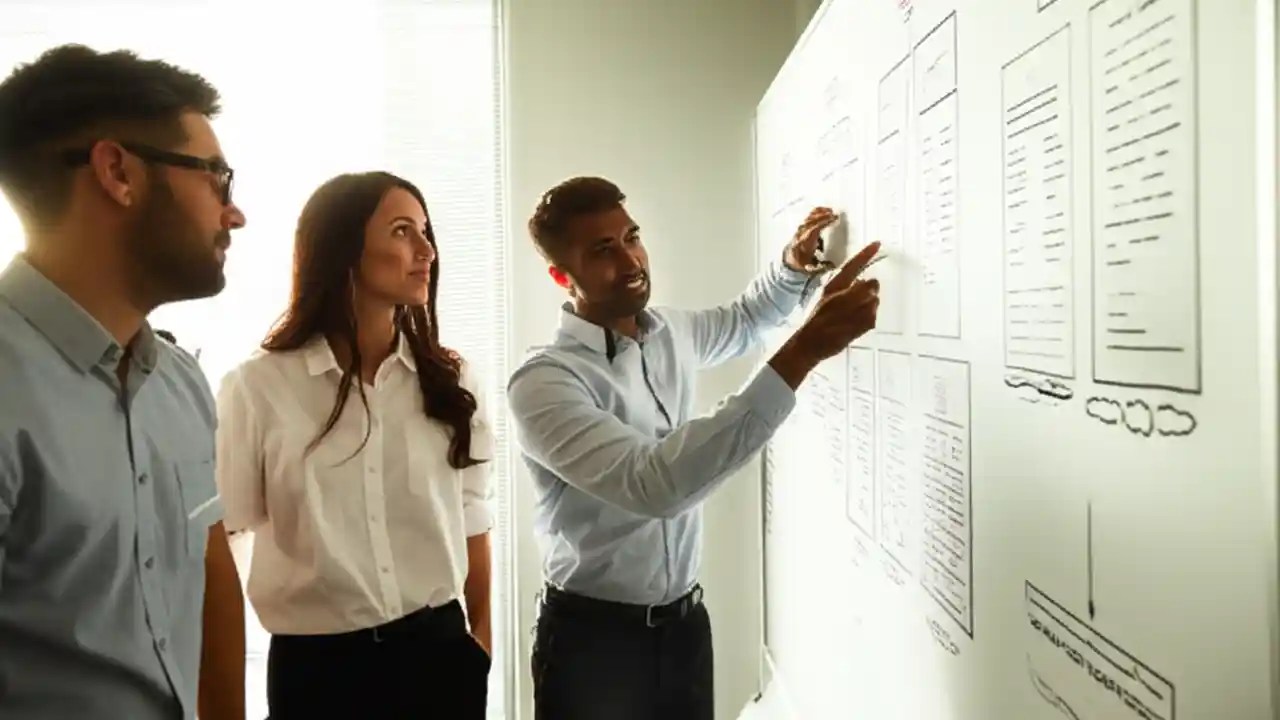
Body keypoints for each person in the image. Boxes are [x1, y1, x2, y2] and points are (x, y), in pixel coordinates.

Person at [507, 176, 881, 719]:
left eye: (632, 237)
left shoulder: (668, 333)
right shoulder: (543, 384)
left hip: (684, 630)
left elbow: (745, 321)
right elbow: (653, 483)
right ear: (562, 276)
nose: (631, 259)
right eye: (603, 250)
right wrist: (804, 350)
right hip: (593, 645)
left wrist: (793, 269)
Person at [0, 45, 247, 719]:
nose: (235, 214)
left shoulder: (182, 384)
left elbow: (208, 573)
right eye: (216, 179)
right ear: (117, 172)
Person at [214, 172, 495, 719]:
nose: (426, 250)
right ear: (343, 247)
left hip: (440, 662)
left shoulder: (452, 380)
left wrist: (479, 646)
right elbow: (227, 539)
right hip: (319, 674)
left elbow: (472, 518)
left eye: (425, 230)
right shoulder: (258, 388)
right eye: (401, 231)